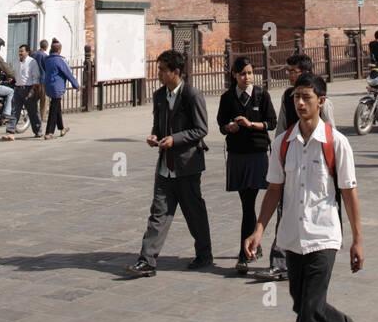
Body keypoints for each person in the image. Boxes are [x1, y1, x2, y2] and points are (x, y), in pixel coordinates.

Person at [245, 73, 362, 322]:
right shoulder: (283, 142)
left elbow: (349, 193)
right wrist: (259, 230)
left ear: (321, 102)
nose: (300, 103)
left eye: (307, 97)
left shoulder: (336, 143)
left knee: (308, 316)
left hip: (325, 239)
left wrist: (358, 239)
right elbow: (274, 190)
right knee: (303, 305)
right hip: (293, 239)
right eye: (296, 96)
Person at [129, 50, 213, 276]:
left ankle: (204, 254)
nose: (159, 74)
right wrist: (154, 137)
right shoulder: (159, 96)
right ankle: (147, 260)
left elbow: (201, 129)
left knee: (193, 212)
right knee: (158, 213)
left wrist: (174, 140)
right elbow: (158, 125)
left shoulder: (192, 96)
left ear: (176, 72)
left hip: (187, 165)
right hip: (165, 165)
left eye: (162, 70)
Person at [262, 54, 334, 282]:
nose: (289, 75)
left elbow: (330, 132)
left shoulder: (322, 99)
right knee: (285, 211)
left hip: (315, 164)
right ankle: (280, 261)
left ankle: (312, 256)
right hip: (292, 158)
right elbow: (282, 128)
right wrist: (279, 154)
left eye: (292, 71)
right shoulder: (287, 96)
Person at [216, 57, 277, 274]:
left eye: (250, 73)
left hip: (257, 153)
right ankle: (255, 246)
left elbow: (271, 122)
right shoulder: (228, 98)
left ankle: (245, 254)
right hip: (237, 154)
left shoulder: (261, 95)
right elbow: (220, 123)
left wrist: (251, 124)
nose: (247, 77)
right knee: (247, 202)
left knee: (248, 203)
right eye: (243, 74)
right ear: (234, 75)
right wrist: (229, 127)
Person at [41, 42, 79, 139]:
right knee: (54, 108)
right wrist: (76, 85)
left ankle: (62, 128)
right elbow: (68, 74)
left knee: (56, 106)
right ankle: (49, 132)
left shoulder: (46, 59)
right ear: (59, 50)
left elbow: (44, 68)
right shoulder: (60, 60)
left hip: (48, 85)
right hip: (57, 87)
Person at [13, 43, 43, 138]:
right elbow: (15, 75)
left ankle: (38, 130)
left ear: (27, 52)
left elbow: (36, 77)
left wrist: (32, 90)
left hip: (28, 89)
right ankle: (10, 131)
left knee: (33, 112)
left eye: (22, 51)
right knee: (14, 111)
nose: (20, 53)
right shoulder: (16, 62)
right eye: (19, 51)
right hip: (18, 89)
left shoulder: (32, 62)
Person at [34, 38, 49, 122]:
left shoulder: (34, 54)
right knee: (43, 100)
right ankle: (42, 117)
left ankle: (33, 115)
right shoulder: (44, 56)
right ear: (46, 47)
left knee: (34, 99)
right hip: (42, 80)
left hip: (34, 80)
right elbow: (46, 68)